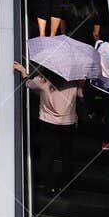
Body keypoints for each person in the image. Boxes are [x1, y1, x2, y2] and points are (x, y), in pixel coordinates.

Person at [13, 61, 83, 196]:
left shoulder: (42, 80)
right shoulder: (73, 82)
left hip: (47, 122)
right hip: (68, 123)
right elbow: (81, 96)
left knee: (47, 154)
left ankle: (49, 186)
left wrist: (23, 70)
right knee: (67, 155)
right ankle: (65, 187)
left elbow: (28, 83)